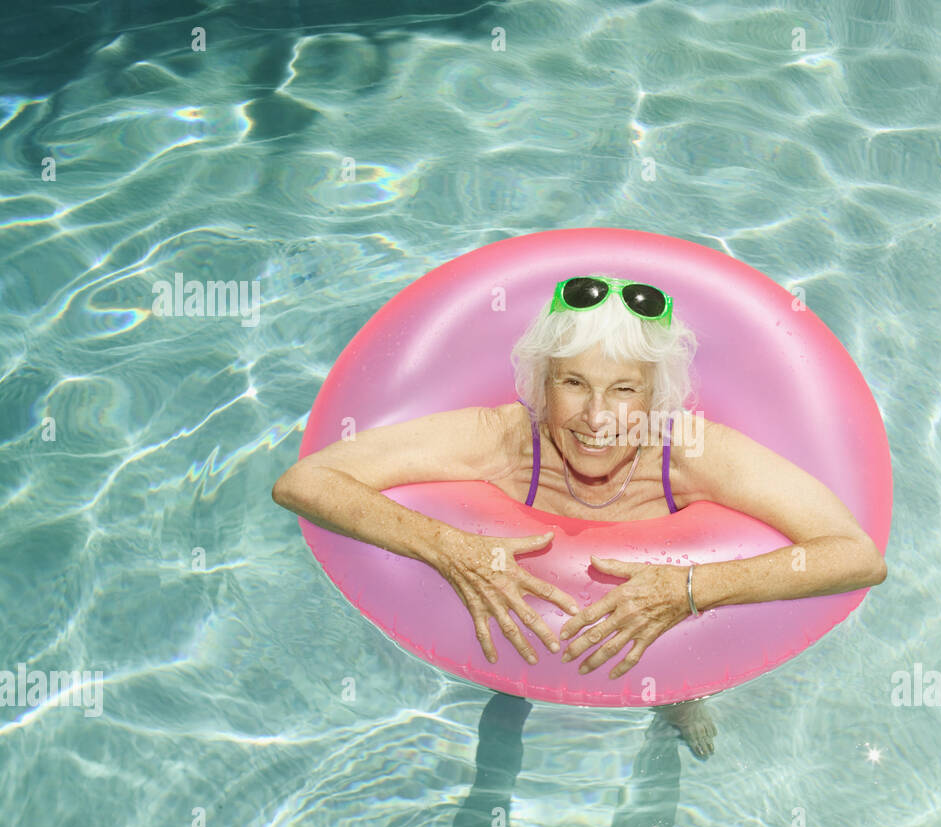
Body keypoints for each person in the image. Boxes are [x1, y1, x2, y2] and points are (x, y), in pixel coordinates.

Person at [272, 275, 887, 759]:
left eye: (624, 389)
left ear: (657, 394)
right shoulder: (504, 439)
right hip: (514, 636)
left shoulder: (693, 452)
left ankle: (676, 709)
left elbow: (855, 555)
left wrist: (692, 588)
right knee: (504, 705)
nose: (597, 417)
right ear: (540, 382)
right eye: (573, 382)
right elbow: (306, 481)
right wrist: (447, 545)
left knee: (678, 690)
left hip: (670, 643)